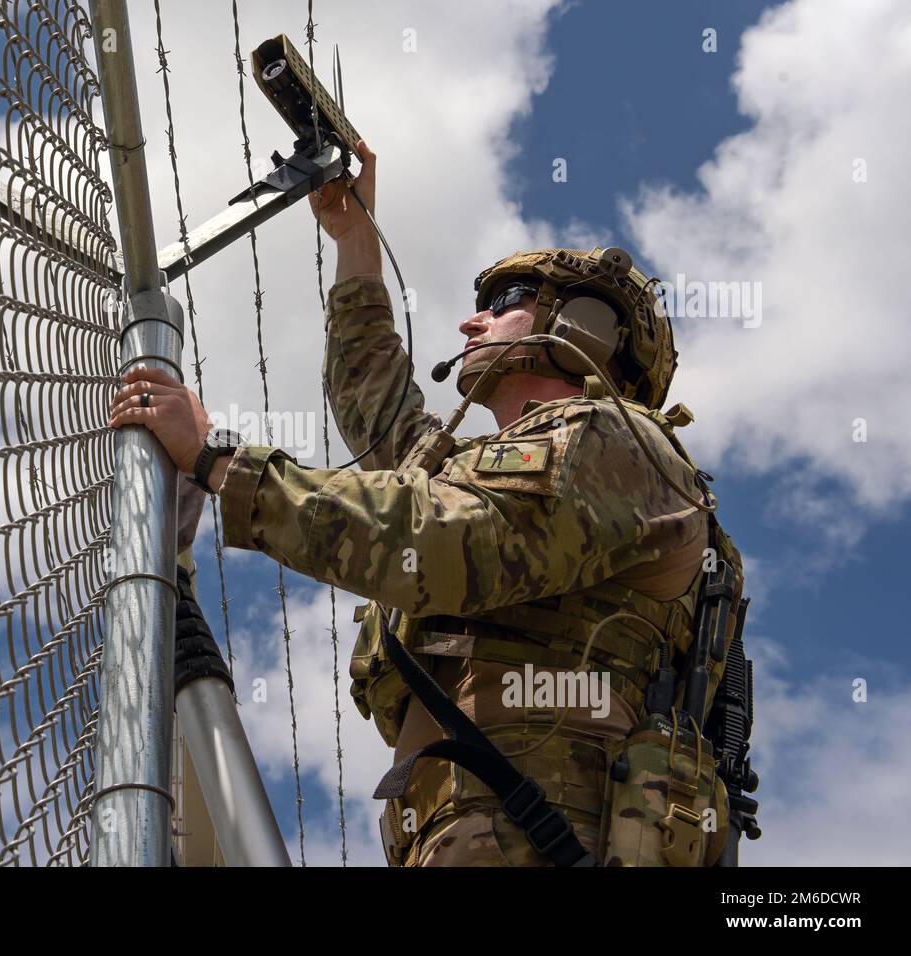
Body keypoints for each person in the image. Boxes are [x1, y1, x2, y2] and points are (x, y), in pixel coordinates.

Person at [108, 139, 749, 867]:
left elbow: (447, 543)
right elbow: (374, 402)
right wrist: (354, 237)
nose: (471, 323)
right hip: (478, 834)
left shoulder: (620, 445)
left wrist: (221, 462)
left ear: (587, 326)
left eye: (504, 305)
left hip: (546, 839)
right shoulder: (502, 466)